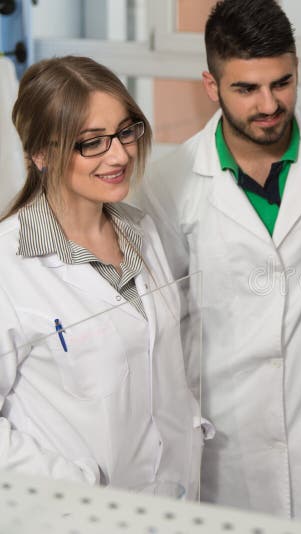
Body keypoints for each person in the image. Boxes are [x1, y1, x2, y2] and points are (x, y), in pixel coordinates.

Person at [134, 0, 301, 519]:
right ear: (211, 85)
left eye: (282, 83)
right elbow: (165, 322)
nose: (269, 104)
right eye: (246, 89)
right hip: (227, 444)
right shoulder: (170, 183)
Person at [0, 56, 203, 495]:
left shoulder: (142, 231)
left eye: (125, 131)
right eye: (92, 142)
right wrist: (71, 484)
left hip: (172, 500)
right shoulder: (8, 267)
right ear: (41, 154)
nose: (120, 154)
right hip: (72, 511)